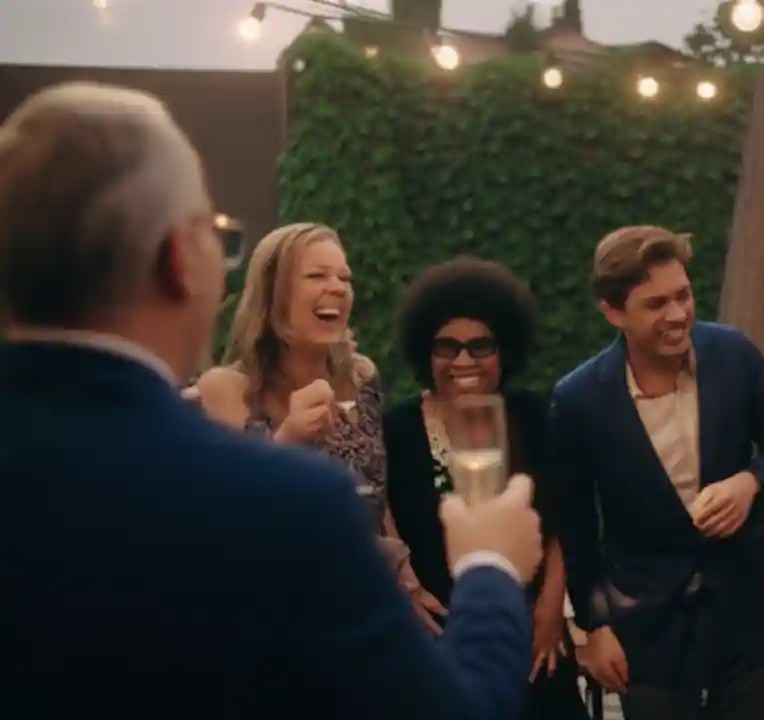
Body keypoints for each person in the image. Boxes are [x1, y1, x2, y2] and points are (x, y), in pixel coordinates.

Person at [0, 81, 542, 718]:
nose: (337, 287)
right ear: (180, 259)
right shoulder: (283, 497)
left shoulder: (357, 387)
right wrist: (490, 564)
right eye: (217, 234)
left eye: (345, 276)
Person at [549, 226, 764, 720]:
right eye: (655, 304)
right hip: (647, 629)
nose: (677, 315)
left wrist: (750, 482)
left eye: (683, 295)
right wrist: (593, 626)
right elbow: (576, 522)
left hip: (750, 612)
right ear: (612, 311)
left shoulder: (733, 354)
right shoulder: (578, 400)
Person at [191, 223, 434, 624]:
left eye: (345, 277)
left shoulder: (362, 376)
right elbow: (227, 515)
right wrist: (289, 438)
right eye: (317, 275)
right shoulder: (227, 390)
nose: (338, 287)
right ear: (273, 294)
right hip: (278, 608)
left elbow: (373, 491)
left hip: (365, 602)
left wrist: (406, 576)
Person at [384, 256, 590, 720]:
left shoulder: (530, 415)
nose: (463, 361)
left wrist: (552, 607)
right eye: (447, 347)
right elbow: (387, 523)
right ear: (424, 352)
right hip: (441, 634)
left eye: (480, 347)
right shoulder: (397, 429)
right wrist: (412, 593)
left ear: (505, 351)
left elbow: (560, 518)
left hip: (534, 631)